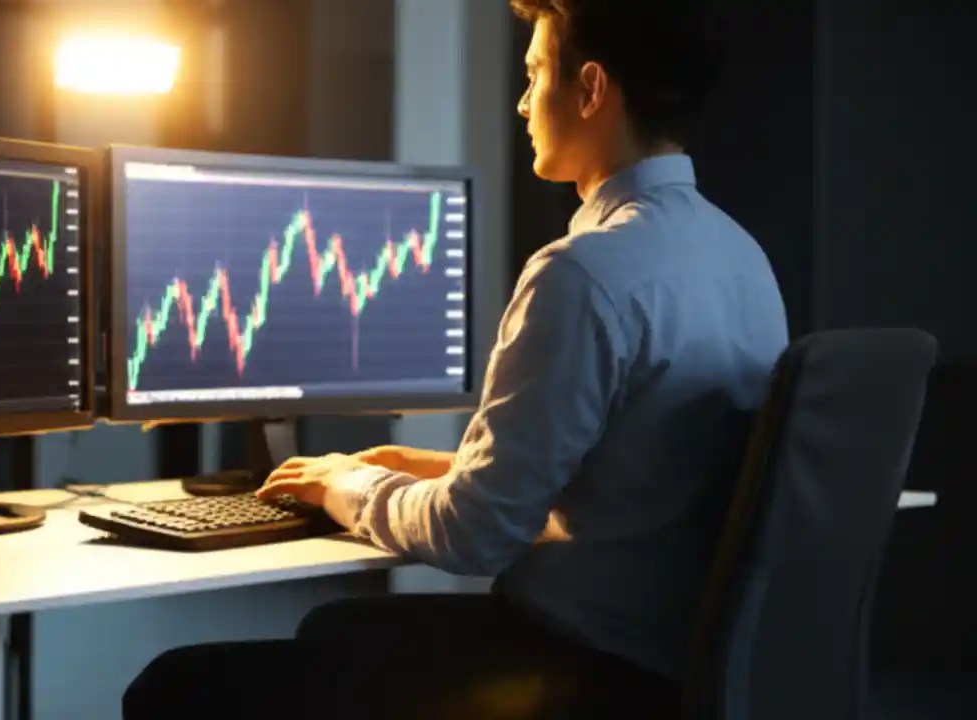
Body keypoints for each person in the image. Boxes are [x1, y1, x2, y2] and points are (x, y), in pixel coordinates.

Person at [123, 0, 788, 717]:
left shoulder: (584, 273)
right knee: (337, 634)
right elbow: (638, 472)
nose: (523, 100)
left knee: (179, 687)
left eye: (536, 74)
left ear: (591, 90)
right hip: (681, 664)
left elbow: (474, 536)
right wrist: (445, 469)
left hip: (587, 665)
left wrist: (346, 485)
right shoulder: (740, 257)